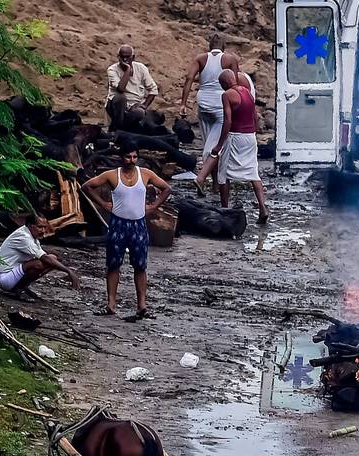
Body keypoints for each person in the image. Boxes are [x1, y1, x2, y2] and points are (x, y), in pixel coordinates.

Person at [83, 139, 172, 320]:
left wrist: (153, 206)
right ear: (121, 157)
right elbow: (87, 186)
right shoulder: (112, 175)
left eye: (134, 157)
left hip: (138, 224)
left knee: (140, 265)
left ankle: (142, 305)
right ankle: (111, 304)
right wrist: (103, 204)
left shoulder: (145, 174)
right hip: (118, 224)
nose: (131, 160)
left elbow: (166, 188)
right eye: (128, 157)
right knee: (113, 264)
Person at [179, 33, 241, 194]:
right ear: (223, 47)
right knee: (216, 146)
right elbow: (236, 82)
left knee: (209, 142)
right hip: (221, 103)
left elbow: (188, 78)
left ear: (209, 46)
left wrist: (183, 104)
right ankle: (202, 177)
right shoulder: (230, 59)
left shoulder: (200, 58)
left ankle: (213, 185)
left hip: (204, 104)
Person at [211, 69, 268, 224]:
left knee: (223, 174)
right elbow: (255, 115)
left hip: (235, 136)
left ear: (224, 83)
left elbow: (228, 121)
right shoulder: (248, 93)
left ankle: (224, 209)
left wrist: (219, 144)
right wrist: (254, 131)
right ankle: (262, 208)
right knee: (253, 172)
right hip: (250, 137)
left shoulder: (227, 95)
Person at [0, 215, 80, 299]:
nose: (43, 231)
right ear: (30, 226)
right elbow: (44, 258)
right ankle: (18, 288)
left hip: (14, 274)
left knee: (53, 258)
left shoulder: (32, 236)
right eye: (40, 227)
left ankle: (22, 286)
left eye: (44, 227)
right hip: (6, 278)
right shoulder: (24, 237)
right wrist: (68, 271)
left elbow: (46, 257)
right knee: (39, 264)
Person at [106, 45, 159, 131]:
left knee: (140, 112)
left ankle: (119, 128)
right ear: (118, 57)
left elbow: (153, 89)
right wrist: (128, 70)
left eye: (127, 57)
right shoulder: (112, 70)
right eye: (122, 57)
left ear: (133, 57)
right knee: (120, 97)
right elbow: (121, 89)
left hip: (134, 106)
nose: (125, 60)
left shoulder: (141, 68)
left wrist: (144, 105)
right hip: (116, 106)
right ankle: (118, 127)